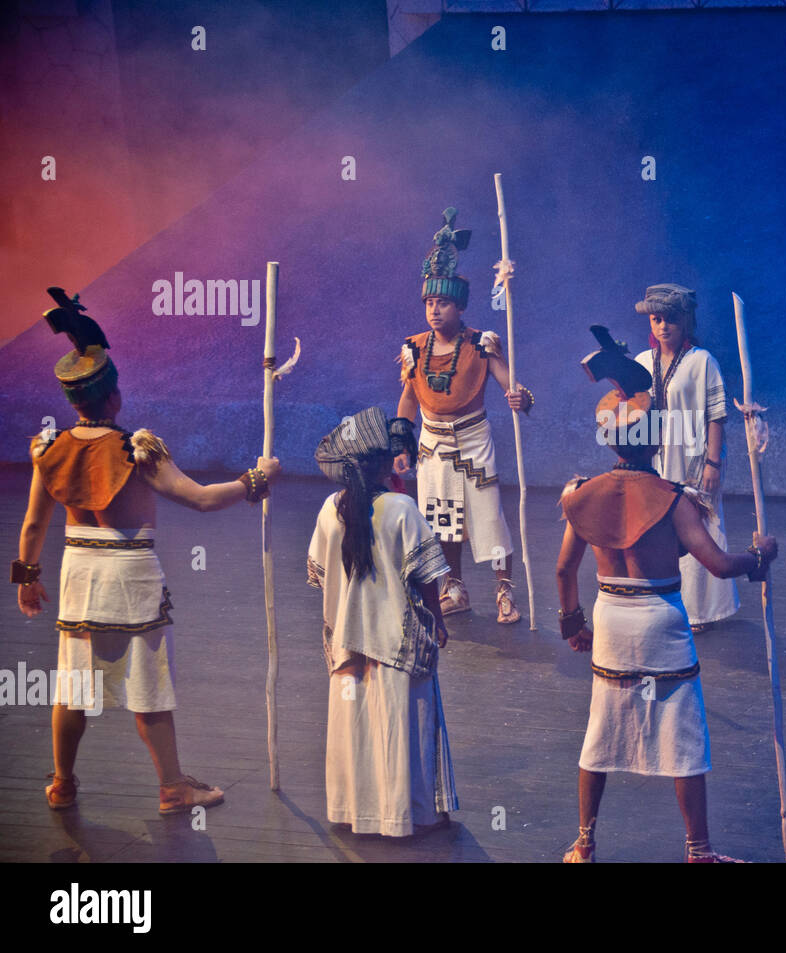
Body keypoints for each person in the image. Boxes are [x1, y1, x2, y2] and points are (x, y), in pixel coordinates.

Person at [14, 288, 280, 814]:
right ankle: (173, 786)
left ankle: (63, 783)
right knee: (148, 685)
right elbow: (201, 499)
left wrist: (27, 578)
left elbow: (31, 524)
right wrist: (255, 479)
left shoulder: (49, 450)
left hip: (78, 576)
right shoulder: (135, 451)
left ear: (73, 401)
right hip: (130, 577)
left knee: (73, 686)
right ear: (114, 396)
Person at [556, 327, 778, 863]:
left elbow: (565, 570)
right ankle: (698, 850)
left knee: (601, 733)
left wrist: (573, 624)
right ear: (655, 440)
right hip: (661, 621)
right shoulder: (674, 500)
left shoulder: (582, 496)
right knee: (684, 737)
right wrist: (760, 560)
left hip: (610, 619)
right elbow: (719, 565)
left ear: (609, 438)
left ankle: (584, 845)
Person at [308, 407, 458, 835]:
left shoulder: (328, 509)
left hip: (347, 642)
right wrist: (437, 622)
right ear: (379, 462)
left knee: (355, 727)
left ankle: (354, 809)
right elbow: (427, 575)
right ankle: (405, 814)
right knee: (400, 726)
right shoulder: (400, 508)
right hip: (396, 639)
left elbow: (320, 575)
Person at [393, 207, 533, 624]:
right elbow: (408, 400)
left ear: (460, 306)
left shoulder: (482, 343)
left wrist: (520, 398)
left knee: (487, 516)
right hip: (431, 444)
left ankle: (504, 592)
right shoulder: (414, 348)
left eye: (444, 303)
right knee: (442, 519)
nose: (435, 311)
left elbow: (513, 385)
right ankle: (453, 588)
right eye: (430, 302)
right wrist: (401, 442)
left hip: (473, 441)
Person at [632, 283, 739, 631]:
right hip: (656, 460)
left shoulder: (701, 361)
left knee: (697, 525)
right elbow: (634, 411)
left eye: (671, 320)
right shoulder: (642, 362)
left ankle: (698, 611)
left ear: (685, 322)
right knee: (657, 529)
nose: (663, 327)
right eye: (656, 319)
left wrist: (713, 462)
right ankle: (662, 600)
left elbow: (716, 413)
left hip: (692, 458)